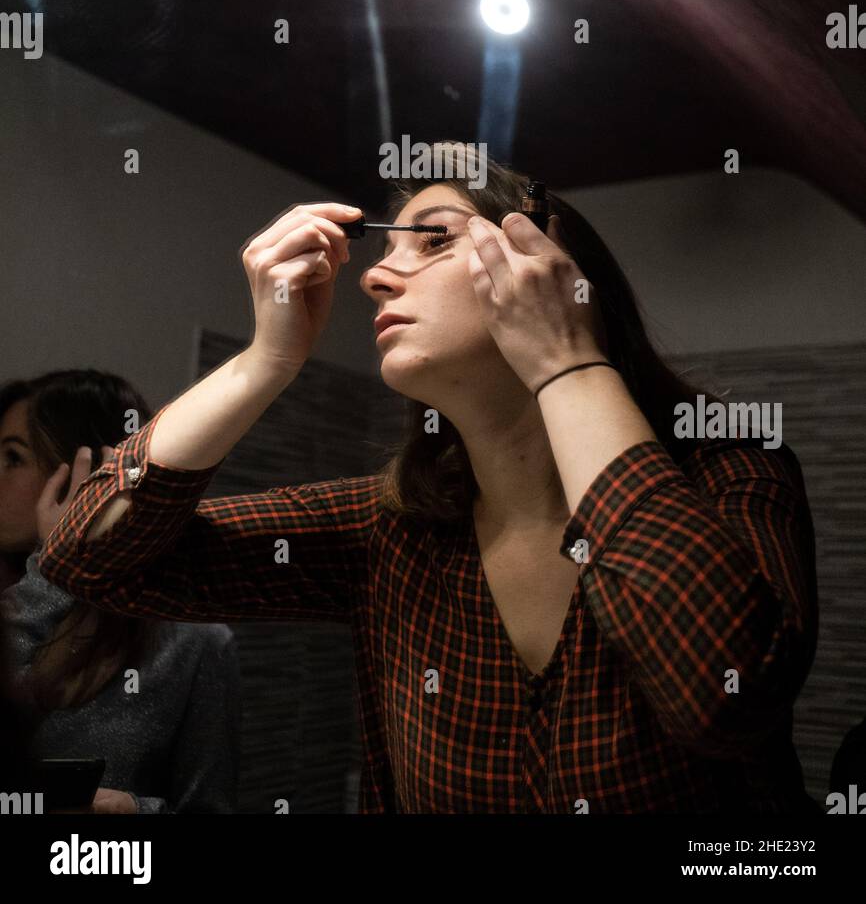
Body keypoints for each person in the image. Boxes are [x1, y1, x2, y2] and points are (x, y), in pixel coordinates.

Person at [38, 146, 819, 813]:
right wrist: (263, 362)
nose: (375, 279)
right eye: (385, 254)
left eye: (433, 240)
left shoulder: (729, 466)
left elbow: (727, 699)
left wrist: (567, 361)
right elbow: (89, 559)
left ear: (548, 273)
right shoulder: (387, 529)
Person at [0, 370, 240, 813]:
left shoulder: (192, 642)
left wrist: (137, 810)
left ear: (80, 476)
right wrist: (57, 565)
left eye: (13, 459)